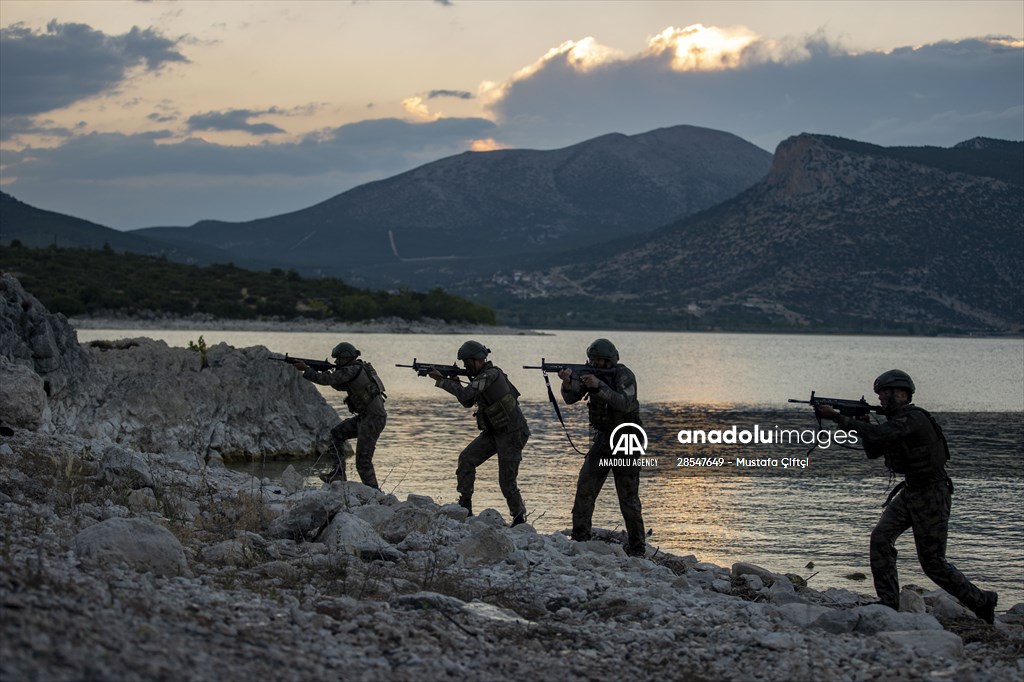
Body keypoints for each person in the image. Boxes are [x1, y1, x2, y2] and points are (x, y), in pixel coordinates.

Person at [818, 369, 998, 623]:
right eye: (879, 394)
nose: (880, 398)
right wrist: (863, 423)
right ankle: (889, 603)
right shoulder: (895, 422)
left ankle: (982, 601)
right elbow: (874, 450)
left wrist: (839, 418)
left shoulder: (914, 419)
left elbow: (883, 435)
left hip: (931, 493)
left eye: (884, 394)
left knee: (932, 563)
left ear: (902, 394)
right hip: (911, 490)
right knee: (881, 538)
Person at [426, 340, 529, 526]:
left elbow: (466, 394)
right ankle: (465, 505)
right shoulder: (480, 377)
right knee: (466, 459)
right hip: (493, 431)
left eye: (467, 362)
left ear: (478, 360)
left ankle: (519, 519)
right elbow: (467, 401)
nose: (465, 366)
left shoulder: (490, 374)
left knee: (507, 481)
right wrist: (453, 382)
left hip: (512, 433)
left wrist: (442, 381)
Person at [559, 338, 646, 557]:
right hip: (602, 439)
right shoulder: (590, 374)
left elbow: (624, 402)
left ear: (611, 361)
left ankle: (637, 548)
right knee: (585, 488)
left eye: (600, 361)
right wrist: (567, 382)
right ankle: (580, 538)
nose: (596, 364)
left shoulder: (624, 375)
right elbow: (571, 398)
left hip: (627, 441)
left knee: (628, 498)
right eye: (592, 360)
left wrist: (599, 386)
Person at [294, 342, 386, 489]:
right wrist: (323, 372)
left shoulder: (351, 369)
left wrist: (306, 370)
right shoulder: (359, 368)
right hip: (366, 417)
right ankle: (338, 473)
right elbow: (339, 384)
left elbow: (328, 381)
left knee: (363, 460)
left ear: (346, 358)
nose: (336, 362)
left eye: (338, 359)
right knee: (337, 434)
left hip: (372, 419)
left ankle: (374, 493)